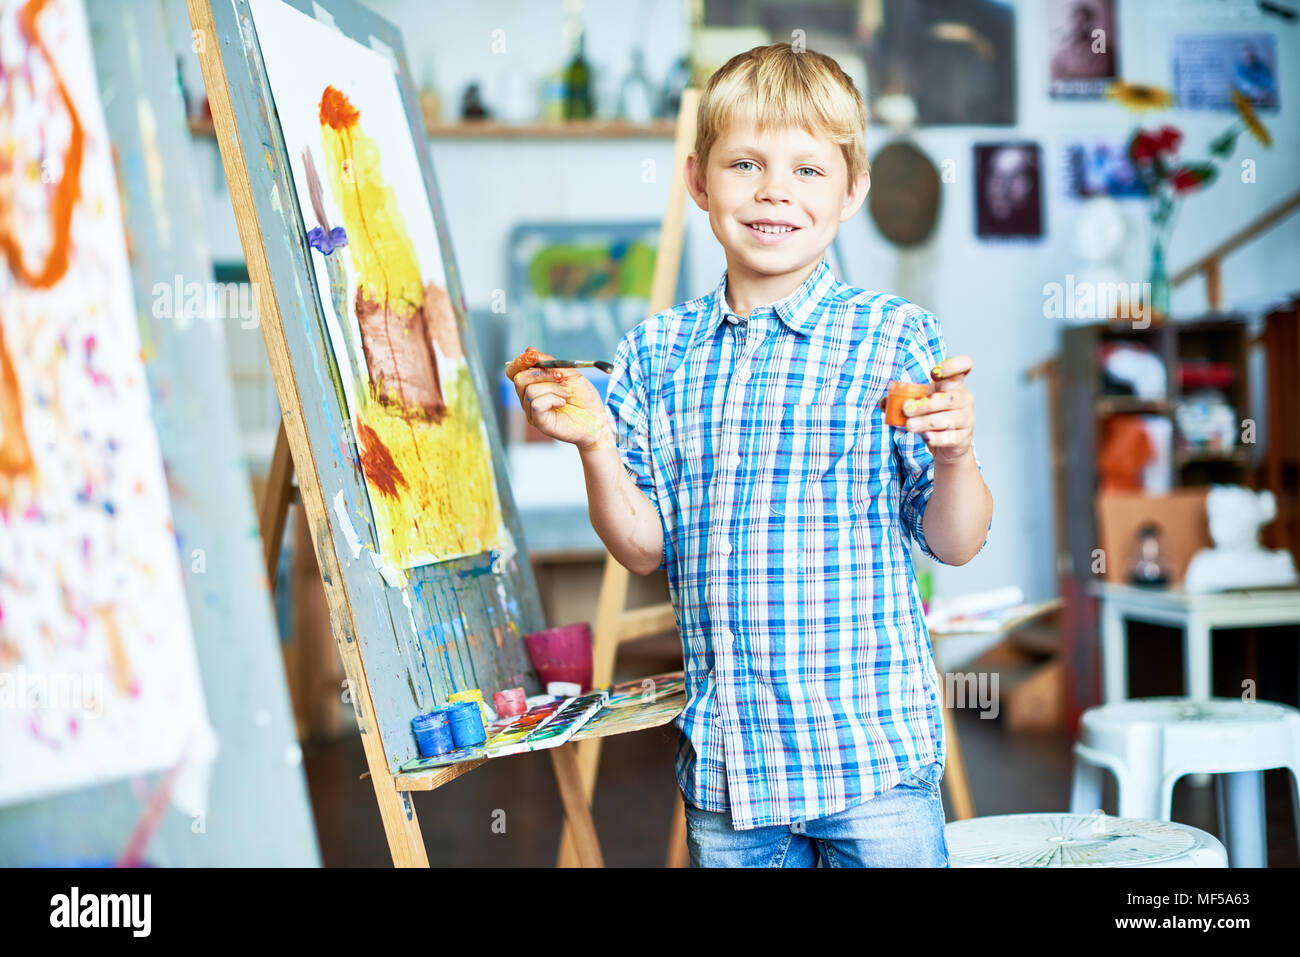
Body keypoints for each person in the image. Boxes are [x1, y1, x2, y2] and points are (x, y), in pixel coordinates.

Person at [506, 42, 992, 867]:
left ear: (853, 191)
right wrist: (594, 445)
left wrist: (954, 458)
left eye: (809, 169)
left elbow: (956, 540)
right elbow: (642, 546)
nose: (774, 190)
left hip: (872, 766)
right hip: (734, 778)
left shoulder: (895, 337)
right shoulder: (656, 352)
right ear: (698, 181)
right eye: (745, 163)